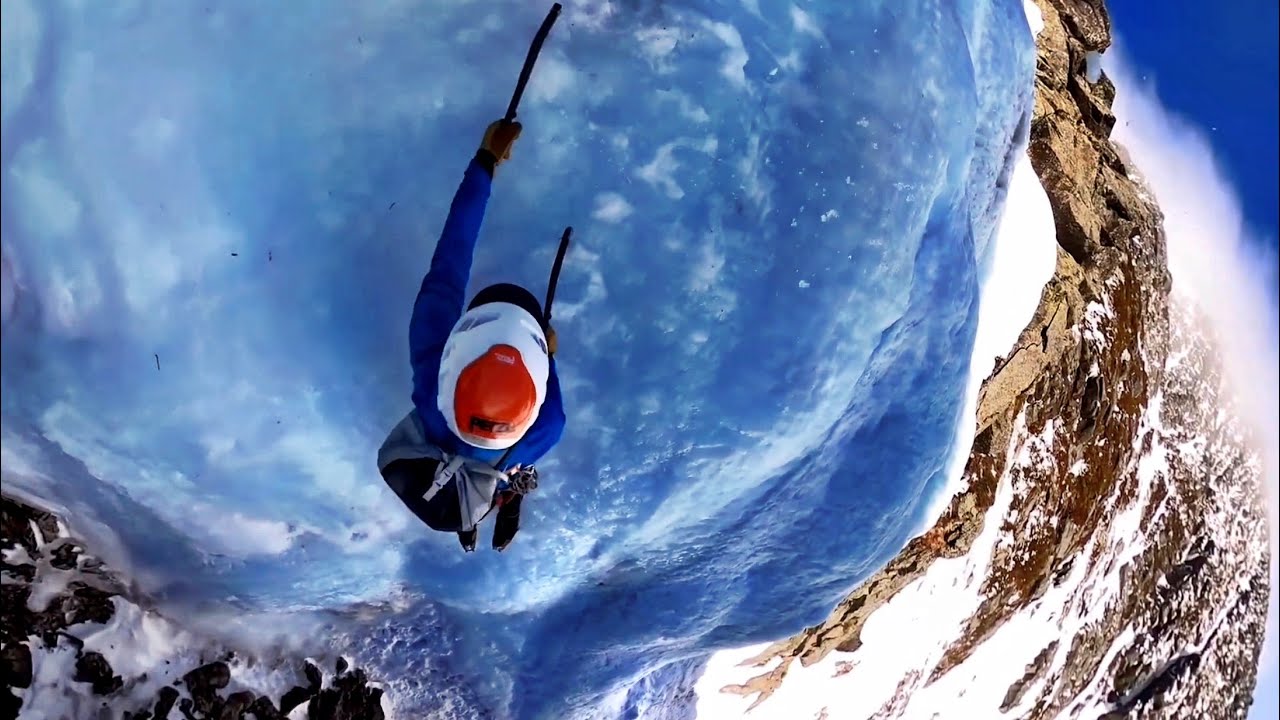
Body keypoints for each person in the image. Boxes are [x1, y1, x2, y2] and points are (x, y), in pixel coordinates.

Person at [377, 118, 566, 552]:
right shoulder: (548, 425)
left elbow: (452, 255)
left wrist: (485, 161)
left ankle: (478, 512)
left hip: (481, 461)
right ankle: (489, 508)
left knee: (502, 469)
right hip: (490, 466)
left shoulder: (431, 363)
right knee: (506, 472)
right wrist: (549, 356)